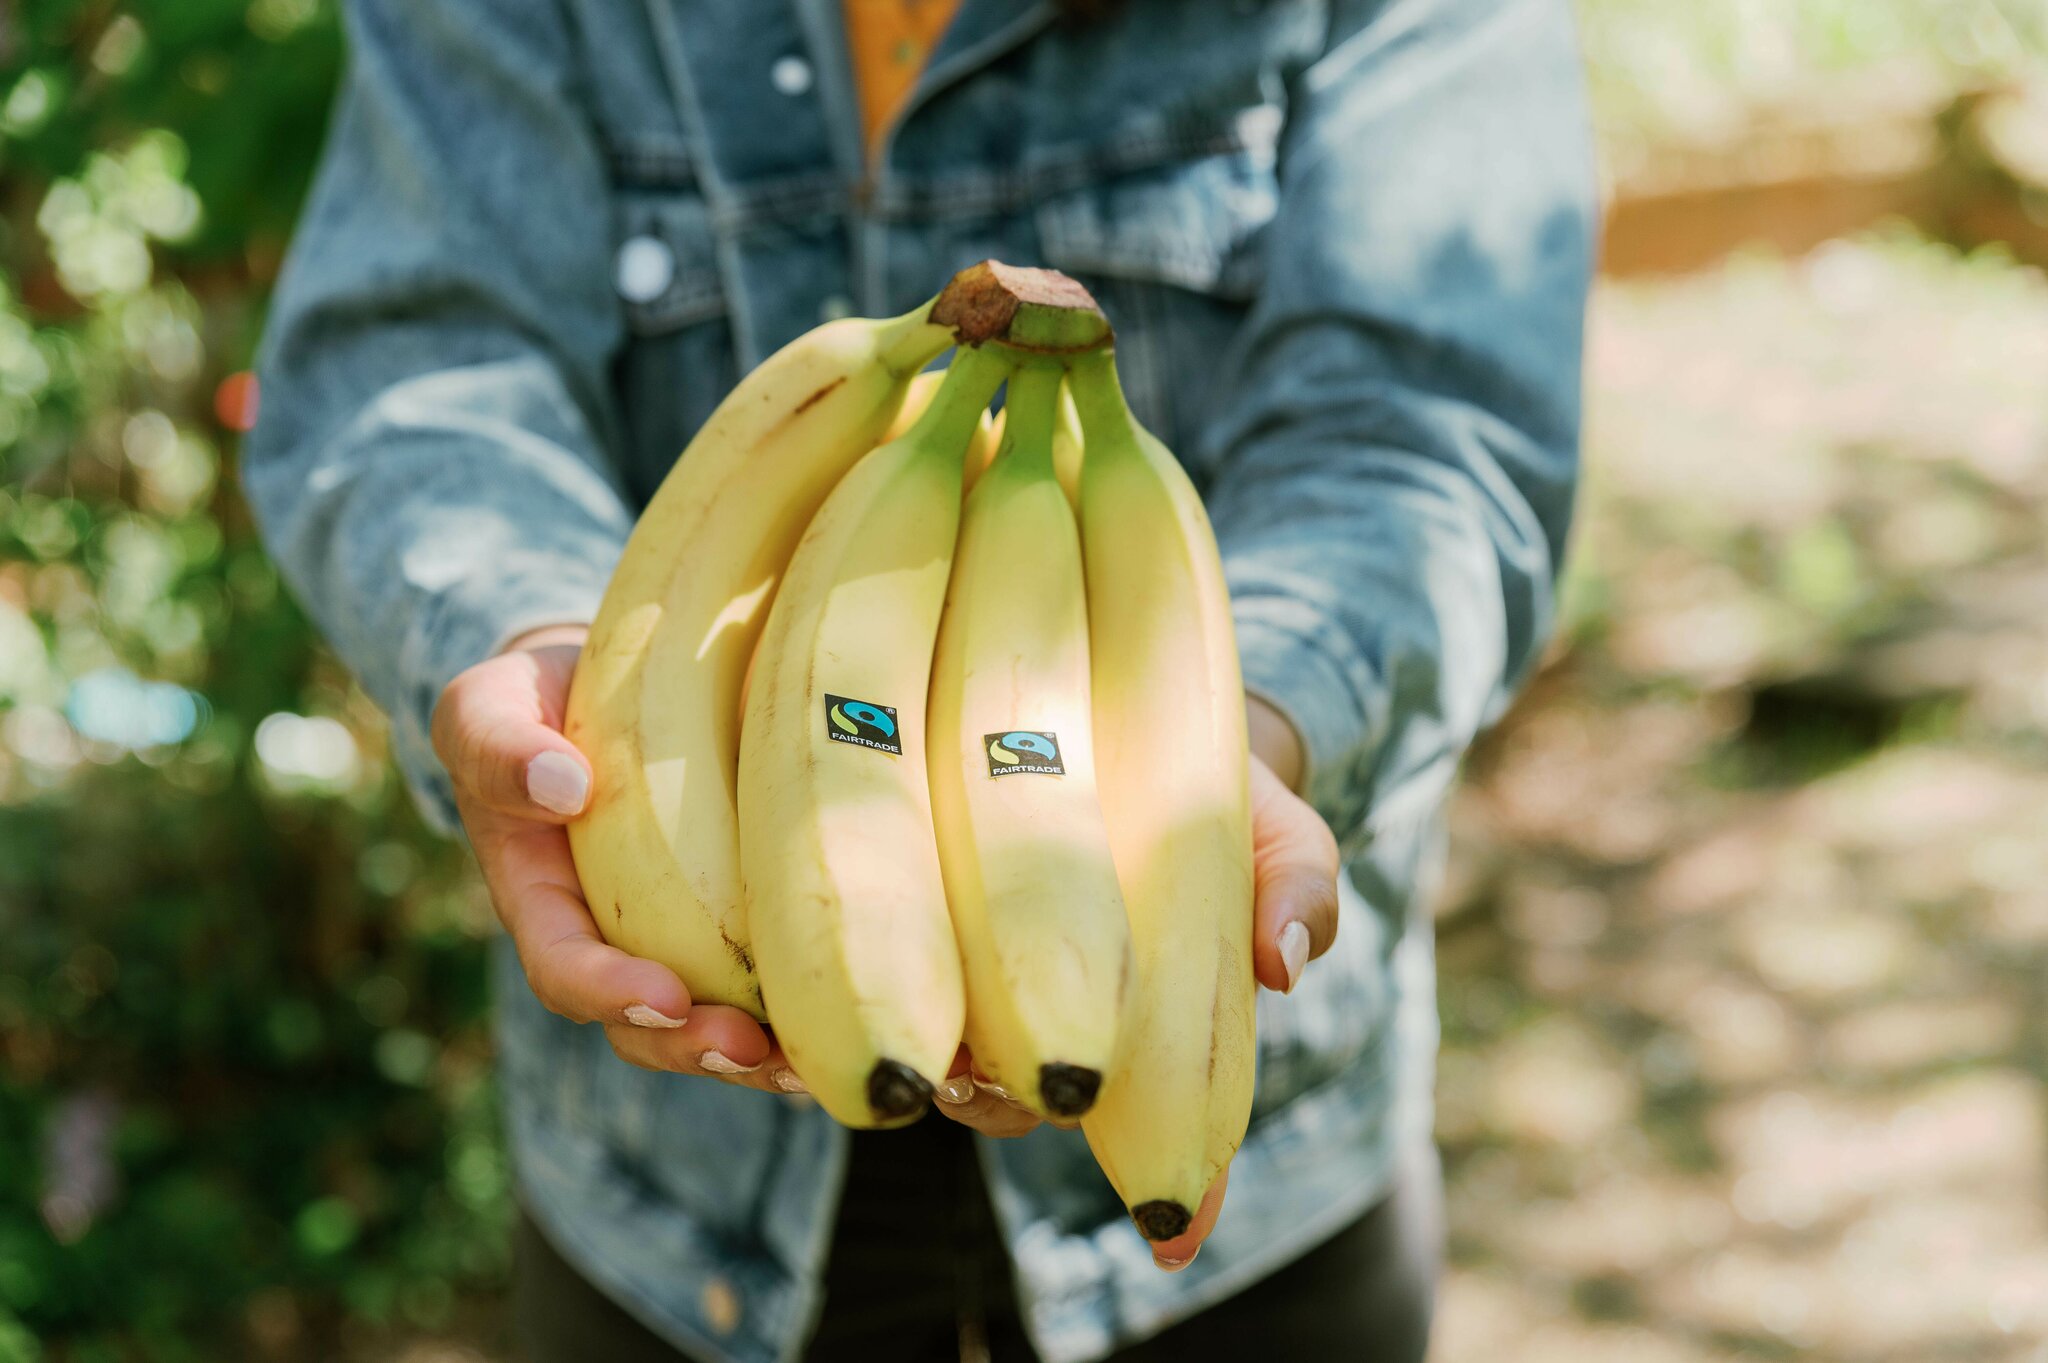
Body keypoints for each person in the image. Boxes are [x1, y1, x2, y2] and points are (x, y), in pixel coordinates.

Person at [244, 0, 1594, 1359]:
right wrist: (543, 648)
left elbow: (1421, 439)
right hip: (670, 1205)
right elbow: (422, 364)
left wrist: (1234, 738)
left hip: (1241, 1215)